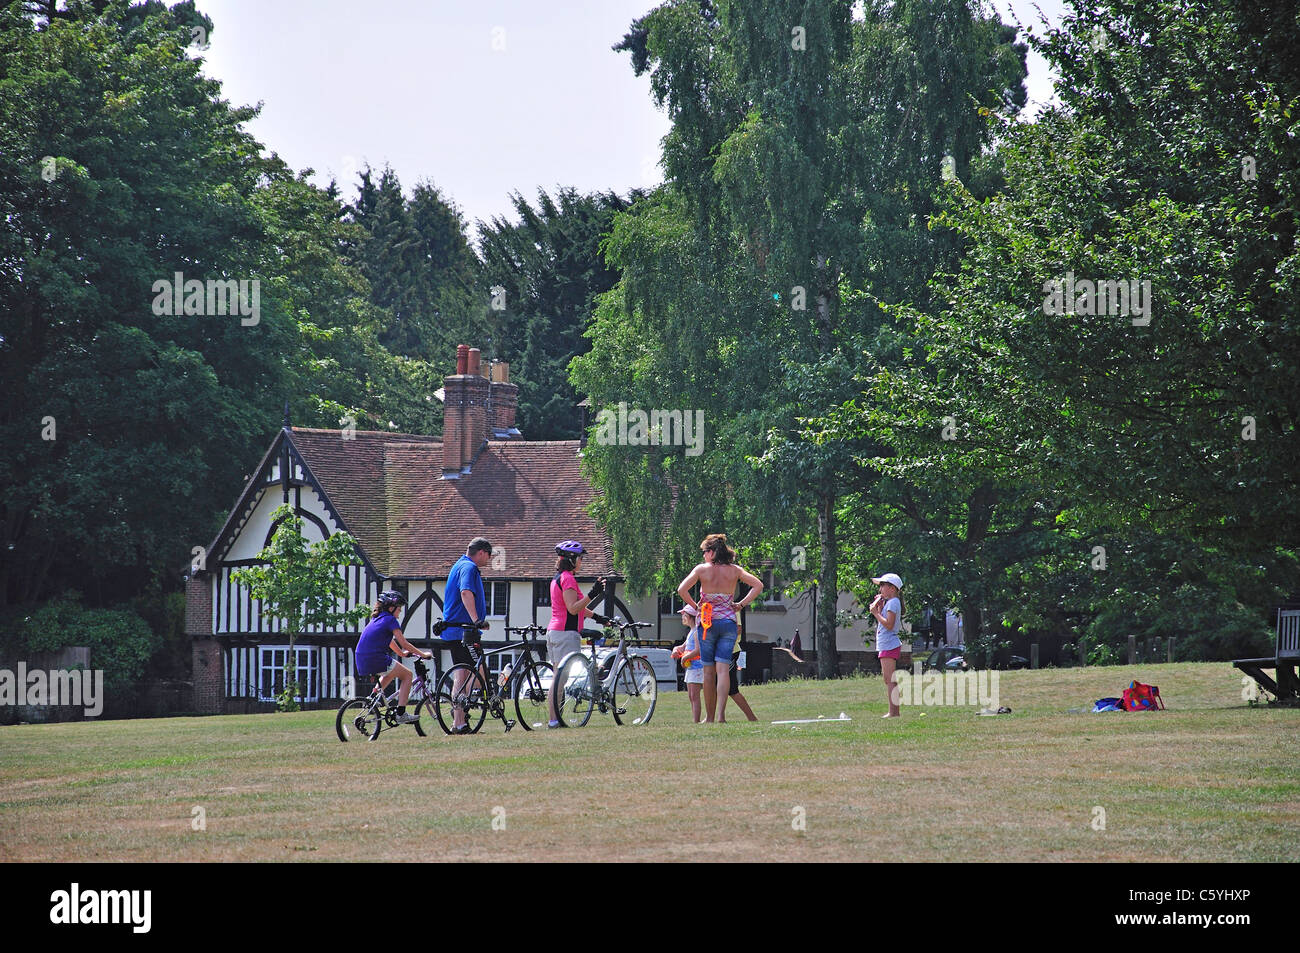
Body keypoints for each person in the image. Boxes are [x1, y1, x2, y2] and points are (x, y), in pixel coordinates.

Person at [676, 533, 763, 723]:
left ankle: (710, 718)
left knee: (708, 672)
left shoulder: (701, 570)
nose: (704, 555)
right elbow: (758, 585)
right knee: (723, 671)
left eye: (705, 551)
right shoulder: (735, 571)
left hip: (707, 624)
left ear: (712, 552)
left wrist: (696, 605)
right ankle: (722, 716)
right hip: (728, 623)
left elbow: (681, 590)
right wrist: (741, 604)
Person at [546, 540, 609, 728]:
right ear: (572, 559)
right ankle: (554, 720)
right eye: (580, 558)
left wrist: (598, 617)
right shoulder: (568, 579)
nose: (582, 561)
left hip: (555, 632)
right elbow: (573, 609)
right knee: (560, 679)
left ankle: (554, 720)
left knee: (558, 678)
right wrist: (594, 593)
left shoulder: (559, 578)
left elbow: (576, 607)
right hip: (565, 633)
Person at [354, 590, 432, 723]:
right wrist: (423, 654)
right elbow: (404, 643)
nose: (400, 612)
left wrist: (402, 654)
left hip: (361, 658)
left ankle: (372, 699)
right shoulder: (390, 620)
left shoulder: (377, 618)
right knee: (407, 675)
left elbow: (390, 641)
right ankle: (401, 714)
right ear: (391, 608)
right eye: (399, 608)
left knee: (389, 673)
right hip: (376, 657)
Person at [442, 537, 493, 733]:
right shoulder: (469, 568)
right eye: (488, 555)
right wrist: (476, 621)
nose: (488, 560)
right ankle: (459, 719)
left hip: (456, 630)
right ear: (481, 552)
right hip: (464, 631)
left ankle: (459, 721)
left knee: (461, 674)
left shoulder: (459, 565)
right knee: (474, 673)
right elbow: (465, 592)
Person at [869, 572, 905, 718]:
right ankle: (893, 712)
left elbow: (889, 625)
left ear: (892, 588)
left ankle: (893, 712)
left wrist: (875, 613)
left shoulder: (894, 602)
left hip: (889, 644)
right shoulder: (891, 603)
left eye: (883, 585)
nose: (880, 589)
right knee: (888, 679)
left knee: (890, 679)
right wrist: (880, 607)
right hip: (886, 644)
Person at [717, 619, 757, 722]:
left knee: (732, 689)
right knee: (716, 686)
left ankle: (752, 718)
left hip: (729, 651)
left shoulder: (733, 608)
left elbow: (738, 629)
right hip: (718, 652)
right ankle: (713, 717)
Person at [671, 605, 705, 722]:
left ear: (691, 617)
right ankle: (695, 719)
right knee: (691, 695)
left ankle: (696, 721)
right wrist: (677, 649)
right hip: (691, 668)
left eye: (684, 615)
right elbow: (683, 646)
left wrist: (685, 657)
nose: (682, 618)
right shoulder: (691, 631)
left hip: (698, 667)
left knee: (694, 695)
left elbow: (698, 650)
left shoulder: (696, 632)